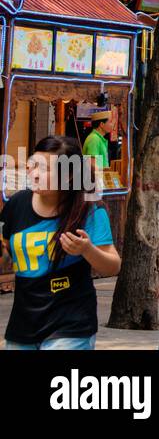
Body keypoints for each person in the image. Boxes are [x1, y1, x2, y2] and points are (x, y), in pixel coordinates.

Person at [2, 136, 120, 350]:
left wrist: (87, 250)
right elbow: (7, 252)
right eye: (33, 165)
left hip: (71, 325)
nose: (35, 174)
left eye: (45, 169)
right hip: (23, 325)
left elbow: (113, 265)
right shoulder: (17, 203)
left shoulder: (89, 209)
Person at [80, 111, 111, 175]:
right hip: (94, 181)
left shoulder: (98, 138)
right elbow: (92, 164)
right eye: (110, 122)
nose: (112, 124)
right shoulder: (94, 138)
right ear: (102, 124)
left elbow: (98, 163)